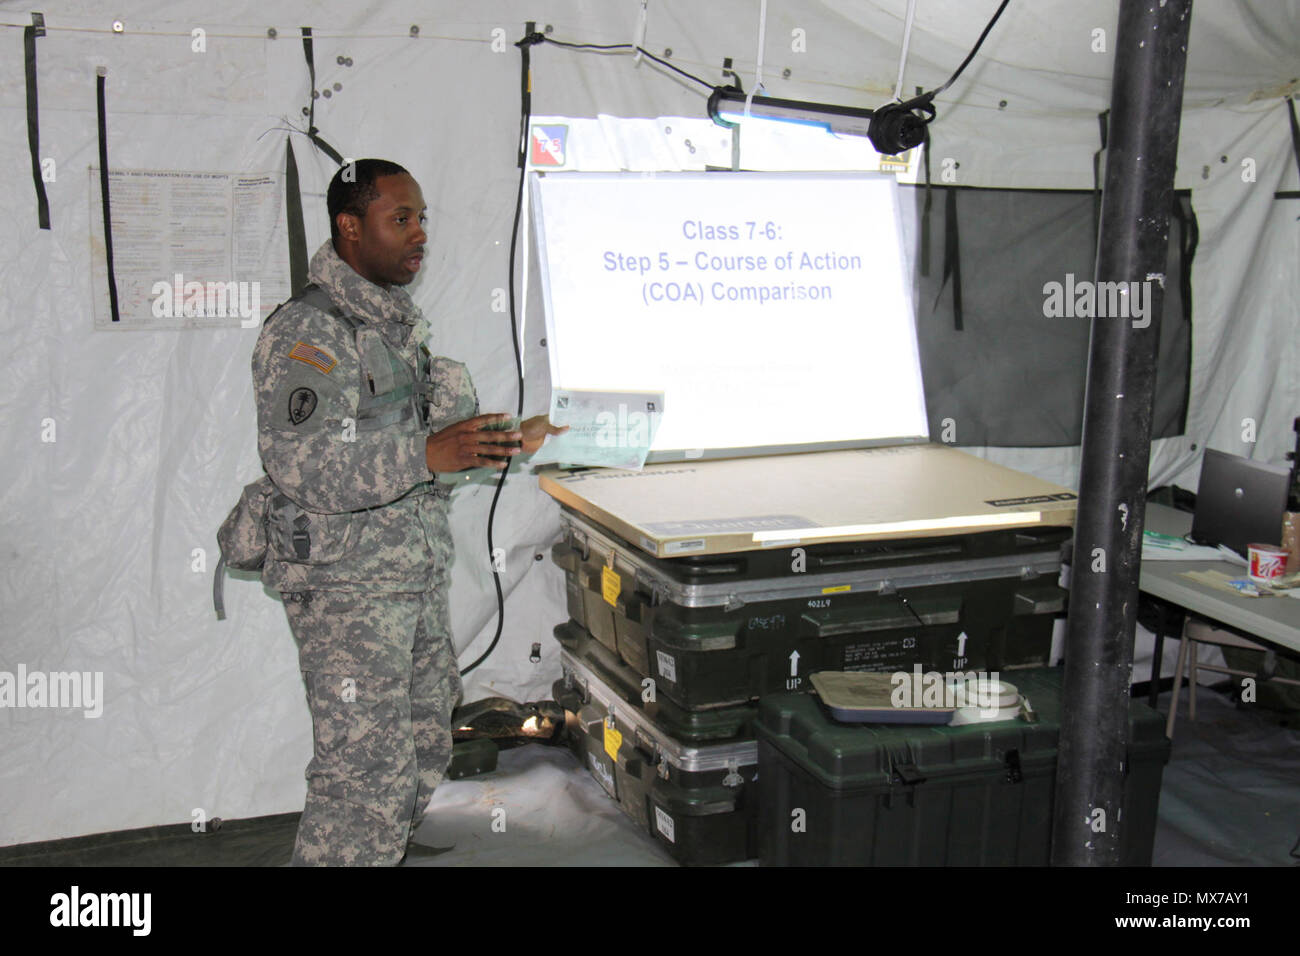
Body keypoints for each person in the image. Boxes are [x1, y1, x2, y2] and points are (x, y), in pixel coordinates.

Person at [251, 158, 564, 866]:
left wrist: (520, 435)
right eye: (401, 219)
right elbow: (305, 468)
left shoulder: (392, 327)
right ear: (349, 227)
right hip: (346, 590)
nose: (418, 234)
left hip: (410, 577)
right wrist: (426, 453)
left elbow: (432, 440)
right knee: (360, 775)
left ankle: (379, 850)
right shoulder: (310, 334)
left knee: (424, 740)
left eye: (422, 218)